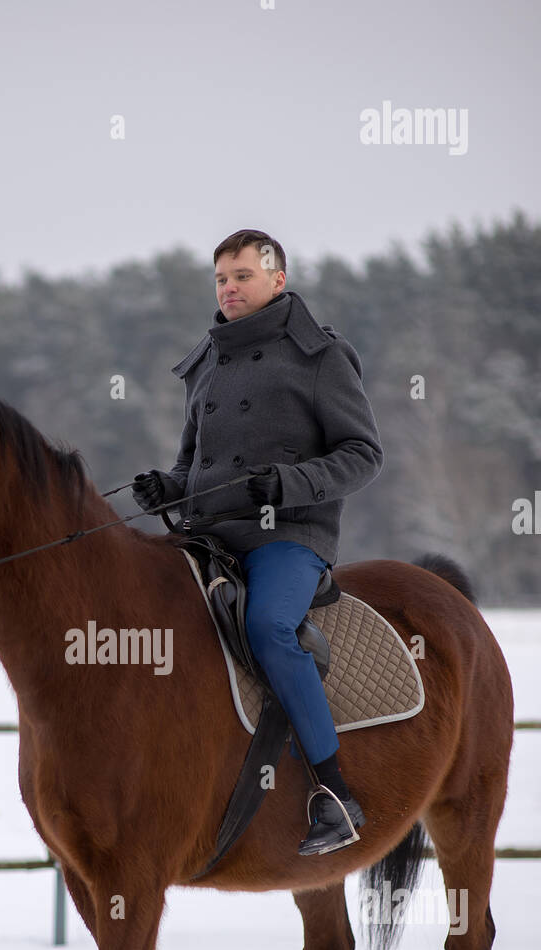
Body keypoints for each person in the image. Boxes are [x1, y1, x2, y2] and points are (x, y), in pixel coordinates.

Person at [133, 229, 384, 855]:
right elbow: (194, 463)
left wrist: (288, 484)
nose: (229, 289)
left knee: (271, 626)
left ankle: (334, 795)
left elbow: (364, 455)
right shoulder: (206, 361)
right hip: (208, 533)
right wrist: (167, 485)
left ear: (278, 278)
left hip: (289, 534)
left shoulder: (320, 356)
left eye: (243, 276)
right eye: (221, 279)